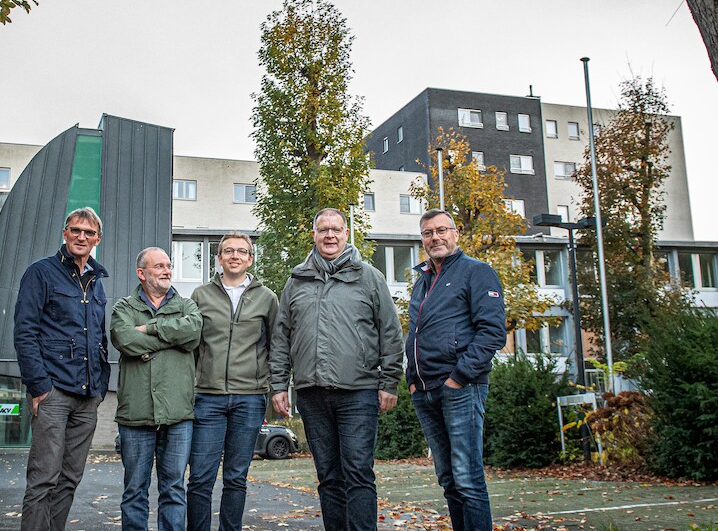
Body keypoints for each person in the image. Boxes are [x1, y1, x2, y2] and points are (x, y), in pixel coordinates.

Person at [269, 207, 403, 531]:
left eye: (336, 229)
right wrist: (277, 385)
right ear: (314, 235)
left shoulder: (369, 277)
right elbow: (281, 336)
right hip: (311, 394)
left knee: (357, 471)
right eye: (323, 229)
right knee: (328, 476)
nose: (330, 235)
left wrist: (390, 381)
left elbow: (390, 331)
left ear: (346, 234)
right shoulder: (296, 280)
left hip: (358, 392)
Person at [406, 208, 507, 531]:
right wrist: (412, 380)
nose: (435, 237)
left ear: (455, 233)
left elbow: (492, 332)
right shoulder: (422, 280)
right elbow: (415, 334)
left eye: (441, 230)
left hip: (461, 387)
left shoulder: (476, 272)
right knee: (449, 479)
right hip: (424, 390)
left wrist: (458, 378)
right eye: (428, 233)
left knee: (467, 477)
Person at [13, 206, 110, 531]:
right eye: (75, 230)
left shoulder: (97, 281)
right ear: (65, 233)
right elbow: (25, 331)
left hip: (87, 396)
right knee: (44, 478)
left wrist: (100, 387)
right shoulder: (40, 273)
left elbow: (98, 336)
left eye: (88, 232)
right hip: (53, 391)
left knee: (69, 478)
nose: (81, 236)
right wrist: (39, 386)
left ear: (97, 238)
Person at [186, 233, 279, 531]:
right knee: (200, 476)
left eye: (241, 251)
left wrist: (276, 388)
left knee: (236, 477)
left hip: (250, 398)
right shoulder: (201, 296)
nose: (234, 256)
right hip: (208, 398)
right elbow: (191, 346)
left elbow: (275, 346)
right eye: (228, 251)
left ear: (250, 258)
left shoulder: (267, 298)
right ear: (219, 258)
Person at [110, 247, 203, 531]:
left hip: (177, 414)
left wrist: (149, 330)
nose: (167, 271)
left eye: (168, 265)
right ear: (142, 273)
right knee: (135, 490)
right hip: (136, 413)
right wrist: (172, 339)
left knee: (174, 489)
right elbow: (125, 340)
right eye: (159, 266)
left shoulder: (187, 306)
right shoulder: (123, 308)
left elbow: (193, 334)